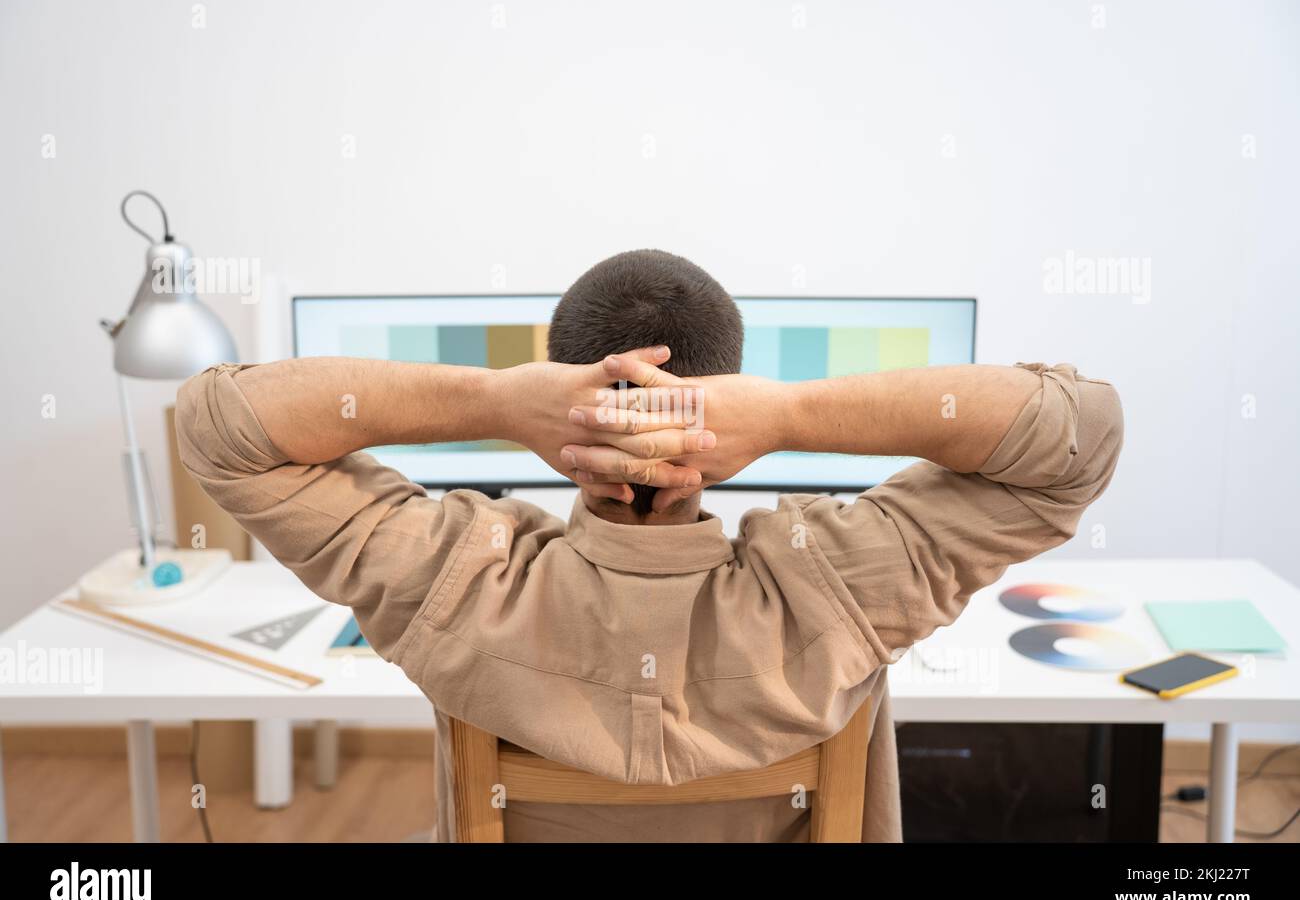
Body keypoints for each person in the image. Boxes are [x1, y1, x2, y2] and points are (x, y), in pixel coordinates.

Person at [174, 249, 1124, 841]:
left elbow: (219, 426)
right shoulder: (846, 577)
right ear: (731, 393)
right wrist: (791, 414)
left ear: (564, 390)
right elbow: (1082, 432)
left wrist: (498, 399)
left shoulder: (453, 577)